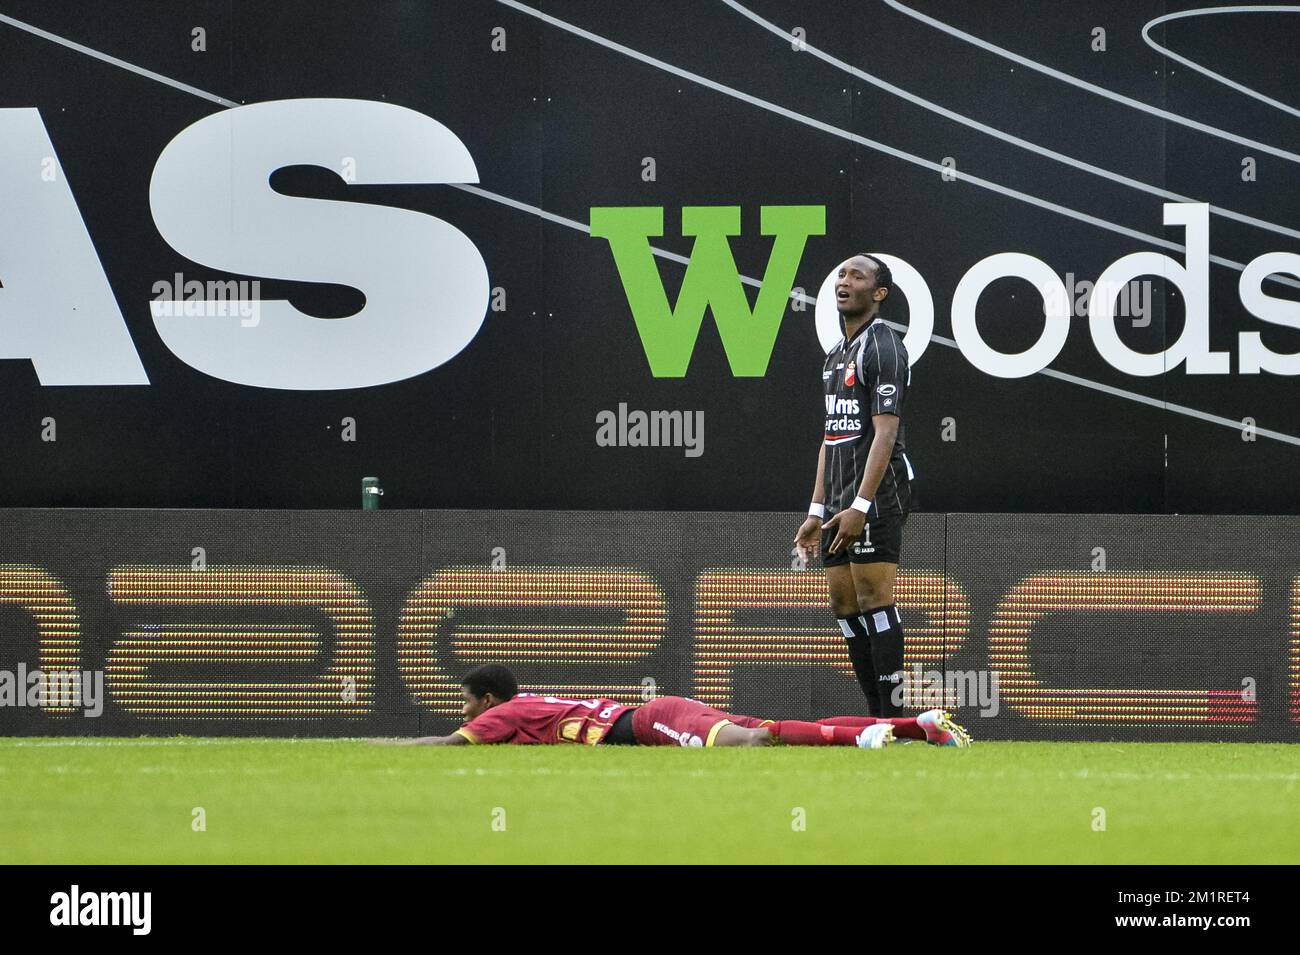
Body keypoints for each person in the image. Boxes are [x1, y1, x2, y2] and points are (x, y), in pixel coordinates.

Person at [794, 254, 916, 717]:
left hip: (879, 493)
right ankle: (874, 719)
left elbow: (885, 432)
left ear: (878, 294)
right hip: (840, 499)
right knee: (844, 605)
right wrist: (817, 509)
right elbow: (832, 437)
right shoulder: (834, 355)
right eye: (840, 274)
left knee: (873, 598)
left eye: (856, 276)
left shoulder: (883, 348)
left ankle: (894, 720)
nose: (844, 282)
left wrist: (862, 504)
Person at [386, 664, 970, 748]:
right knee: (777, 728)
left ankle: (860, 740)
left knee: (748, 743)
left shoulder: (501, 714)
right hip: (654, 711)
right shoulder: (530, 702)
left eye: (468, 704)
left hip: (648, 722)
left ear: (487, 700)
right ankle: (914, 726)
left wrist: (380, 743)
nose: (466, 714)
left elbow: (447, 745)